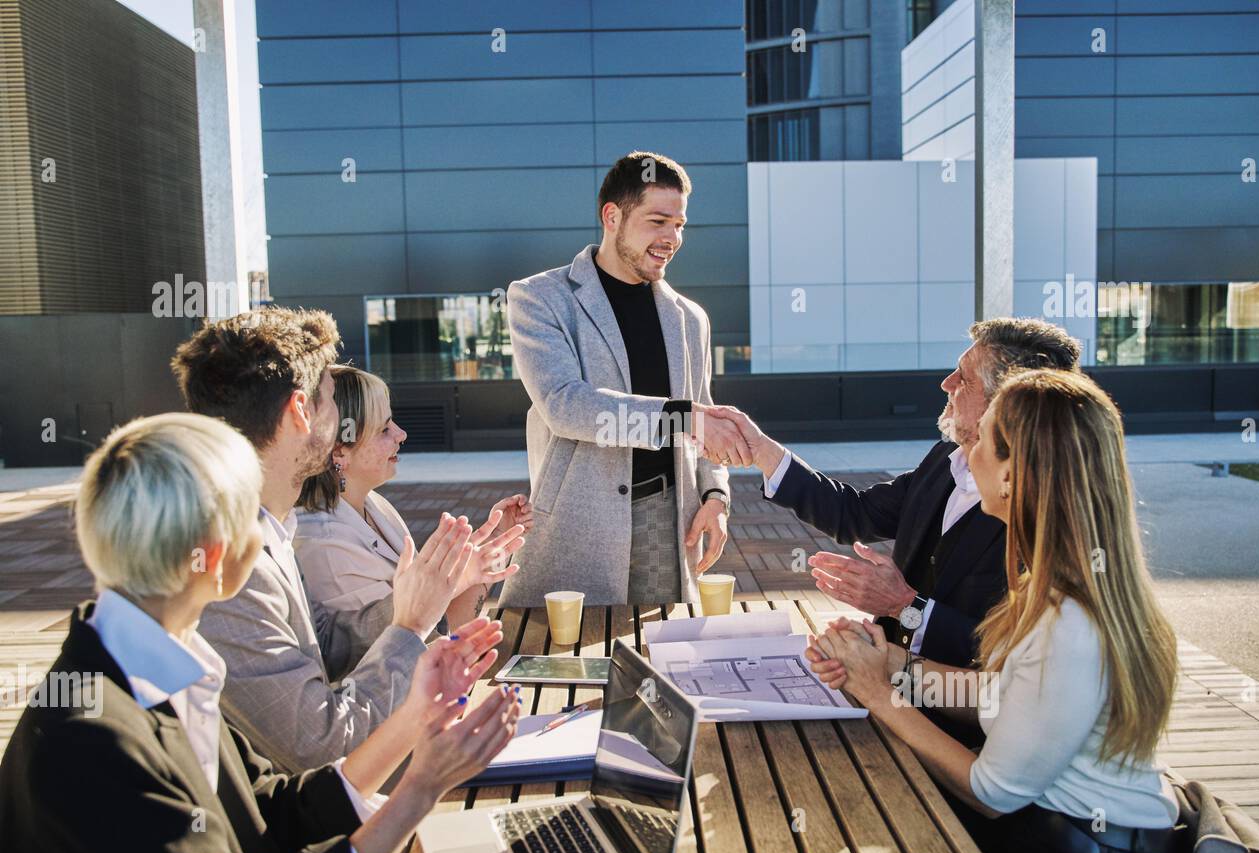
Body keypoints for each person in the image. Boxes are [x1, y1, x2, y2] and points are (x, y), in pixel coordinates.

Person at [0, 413, 520, 853]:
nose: (269, 536)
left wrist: (415, 718)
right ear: (213, 551)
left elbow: (272, 808)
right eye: (252, 517)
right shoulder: (95, 742)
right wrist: (420, 790)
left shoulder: (159, 662)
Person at [807, 370, 1182, 853]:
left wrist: (878, 693)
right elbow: (1000, 696)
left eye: (982, 436)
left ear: (1011, 475)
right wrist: (892, 664)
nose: (965, 452)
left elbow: (991, 792)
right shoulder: (1063, 588)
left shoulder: (1067, 622)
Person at [171, 308, 495, 773]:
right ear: (302, 412)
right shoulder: (227, 572)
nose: (342, 419)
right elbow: (317, 746)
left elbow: (328, 645)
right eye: (330, 401)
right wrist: (408, 629)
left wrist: (420, 603)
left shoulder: (272, 528)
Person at [704, 317, 1080, 669]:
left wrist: (904, 606)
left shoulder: (1049, 518)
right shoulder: (946, 458)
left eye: (963, 379)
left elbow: (1008, 660)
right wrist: (763, 452)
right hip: (883, 684)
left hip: (956, 720)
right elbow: (857, 515)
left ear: (1008, 403)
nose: (945, 384)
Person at [499, 151, 753, 609]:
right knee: (564, 660)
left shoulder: (690, 318)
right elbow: (566, 406)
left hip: (668, 518)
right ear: (612, 216)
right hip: (579, 522)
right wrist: (685, 419)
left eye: (679, 225)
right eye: (658, 221)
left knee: (652, 658)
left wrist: (716, 496)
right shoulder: (539, 298)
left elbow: (704, 413)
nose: (672, 238)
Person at [294, 365, 531, 627]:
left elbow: (443, 626)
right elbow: (399, 649)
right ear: (339, 452)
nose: (401, 434)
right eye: (383, 430)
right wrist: (460, 576)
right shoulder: (327, 548)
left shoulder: (373, 507)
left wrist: (494, 546)